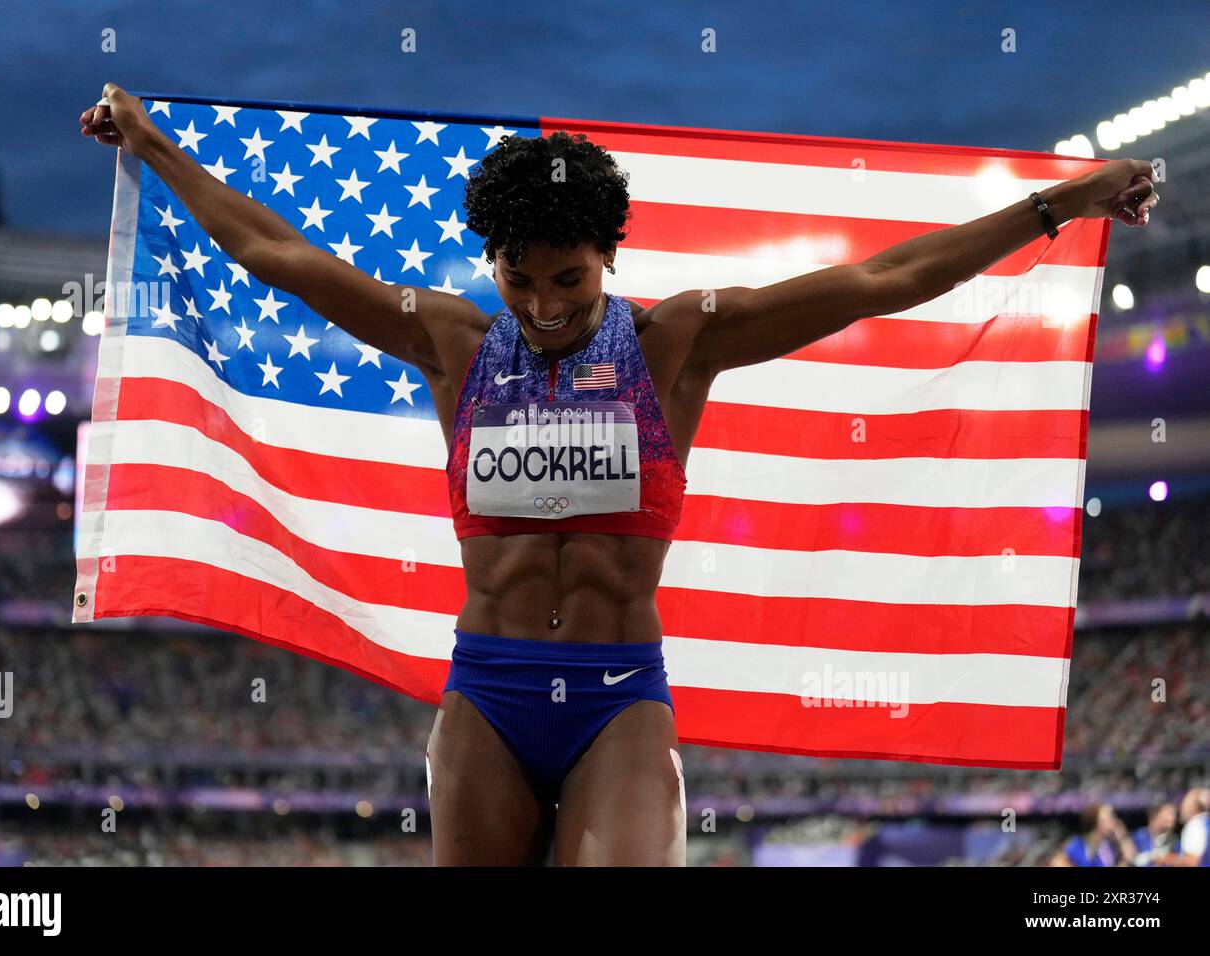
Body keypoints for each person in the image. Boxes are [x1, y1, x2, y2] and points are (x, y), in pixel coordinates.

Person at [81, 82, 1160, 866]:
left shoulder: (673, 341)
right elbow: (279, 255)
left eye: (570, 278)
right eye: (520, 279)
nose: (545, 305)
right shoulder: (452, 338)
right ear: (489, 262)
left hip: (617, 698)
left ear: (611, 256)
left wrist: (1058, 205)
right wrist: (153, 144)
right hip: (488, 692)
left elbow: (879, 278)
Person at [1052, 804, 1136, 867]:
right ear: (1096, 823)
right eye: (1109, 818)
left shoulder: (1110, 846)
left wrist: (1122, 835)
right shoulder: (1078, 844)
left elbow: (1133, 859)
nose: (1114, 822)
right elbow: (1057, 863)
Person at [1132, 801, 1179, 866]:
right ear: (1154, 815)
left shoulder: (1175, 841)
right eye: (1169, 813)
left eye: (1175, 814)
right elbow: (1131, 859)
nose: (1173, 818)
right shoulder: (1138, 836)